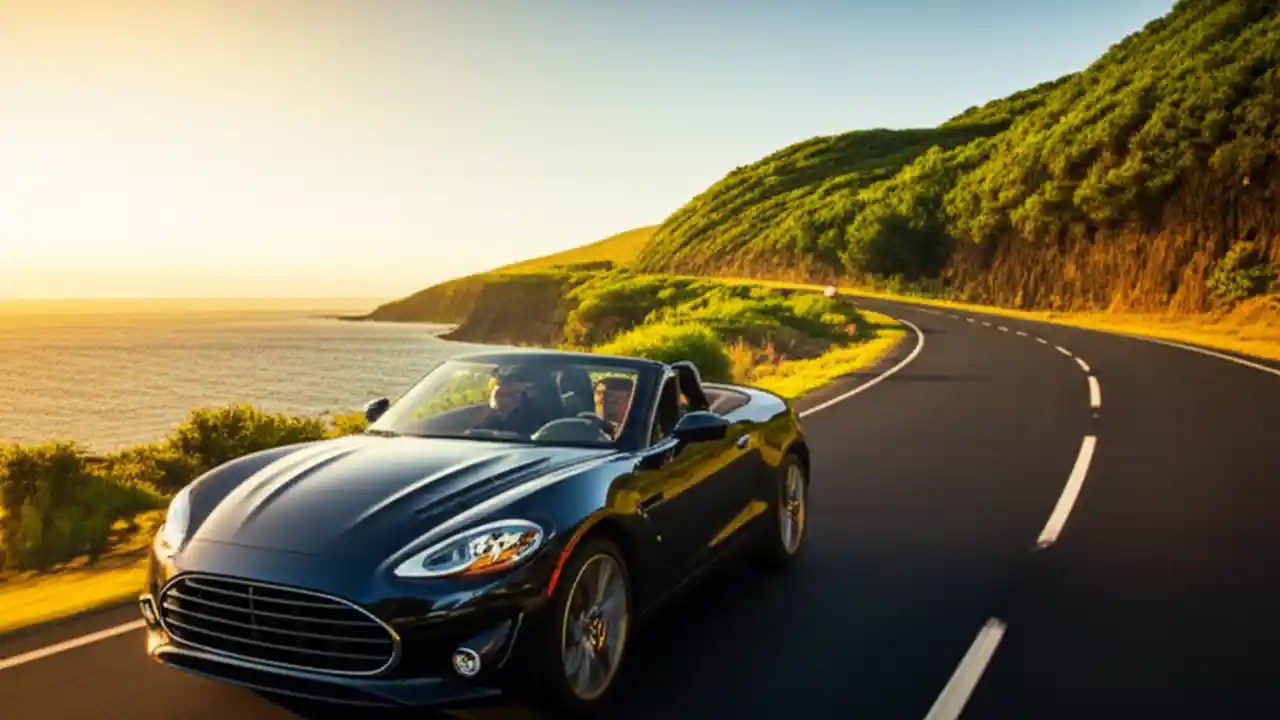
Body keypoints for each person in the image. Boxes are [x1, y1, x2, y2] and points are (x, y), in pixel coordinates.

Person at [476, 365, 556, 437]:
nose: (498, 396)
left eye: (507, 394)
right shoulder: (485, 415)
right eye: (498, 390)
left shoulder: (534, 419)